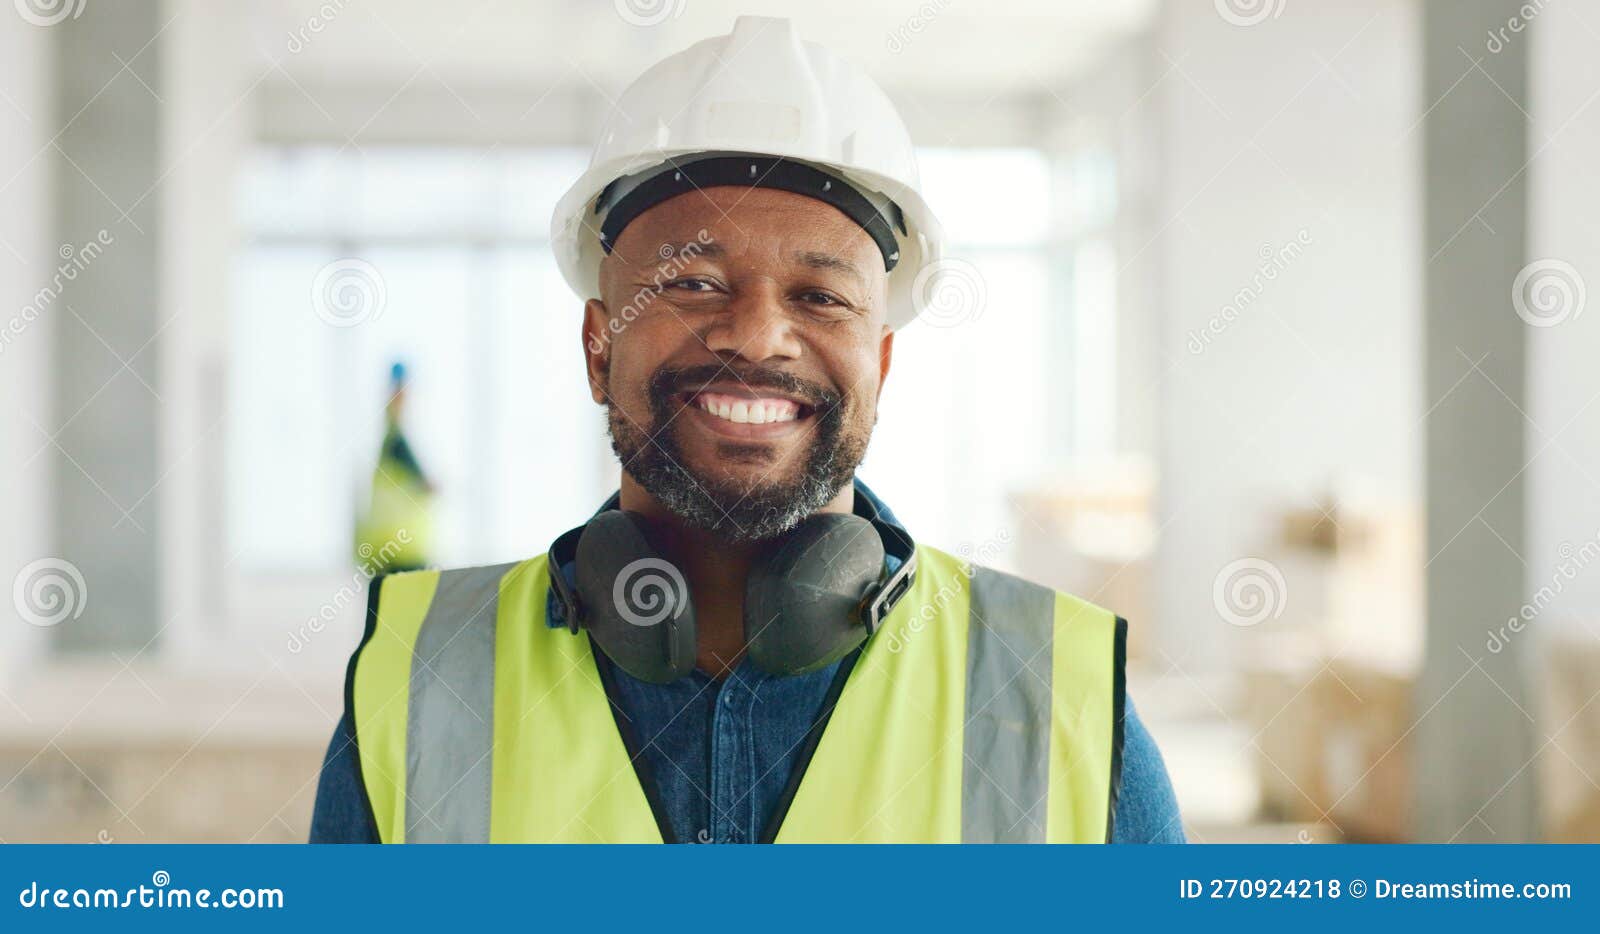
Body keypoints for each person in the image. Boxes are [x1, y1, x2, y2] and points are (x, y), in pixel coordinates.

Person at [311, 16, 1182, 844]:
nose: (757, 335)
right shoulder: (424, 683)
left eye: (820, 296)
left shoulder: (1051, 693)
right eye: (691, 282)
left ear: (880, 368)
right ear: (596, 346)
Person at [352, 361, 432, 573]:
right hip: (401, 550)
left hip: (385, 549)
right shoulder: (397, 442)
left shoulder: (389, 440)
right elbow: (428, 486)